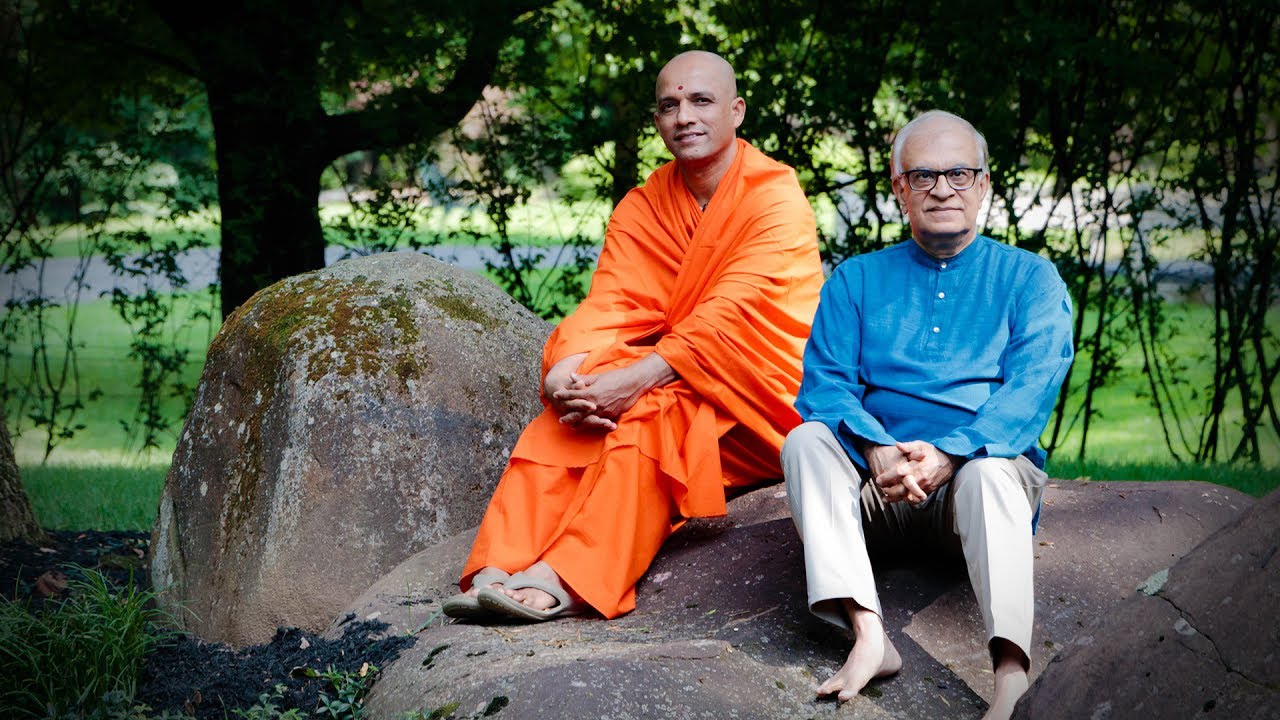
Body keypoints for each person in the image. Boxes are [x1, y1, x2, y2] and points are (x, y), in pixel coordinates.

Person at [442, 50, 824, 623]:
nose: (684, 116)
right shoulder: (645, 205)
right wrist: (566, 373)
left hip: (758, 402)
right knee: (565, 419)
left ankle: (568, 576)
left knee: (649, 414)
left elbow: (731, 316)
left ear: (737, 110)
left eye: (701, 101)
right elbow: (611, 303)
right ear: (657, 121)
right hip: (680, 378)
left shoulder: (775, 197)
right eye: (669, 105)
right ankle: (499, 562)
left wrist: (633, 381)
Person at [781, 110, 1074, 719]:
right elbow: (825, 384)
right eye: (924, 176)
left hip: (973, 490)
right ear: (899, 189)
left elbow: (1032, 387)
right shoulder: (856, 280)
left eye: (960, 174)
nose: (943, 189)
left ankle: (1011, 675)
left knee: (994, 472)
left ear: (986, 183)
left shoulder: (1029, 277)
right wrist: (876, 447)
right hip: (877, 490)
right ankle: (868, 637)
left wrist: (952, 453)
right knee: (806, 439)